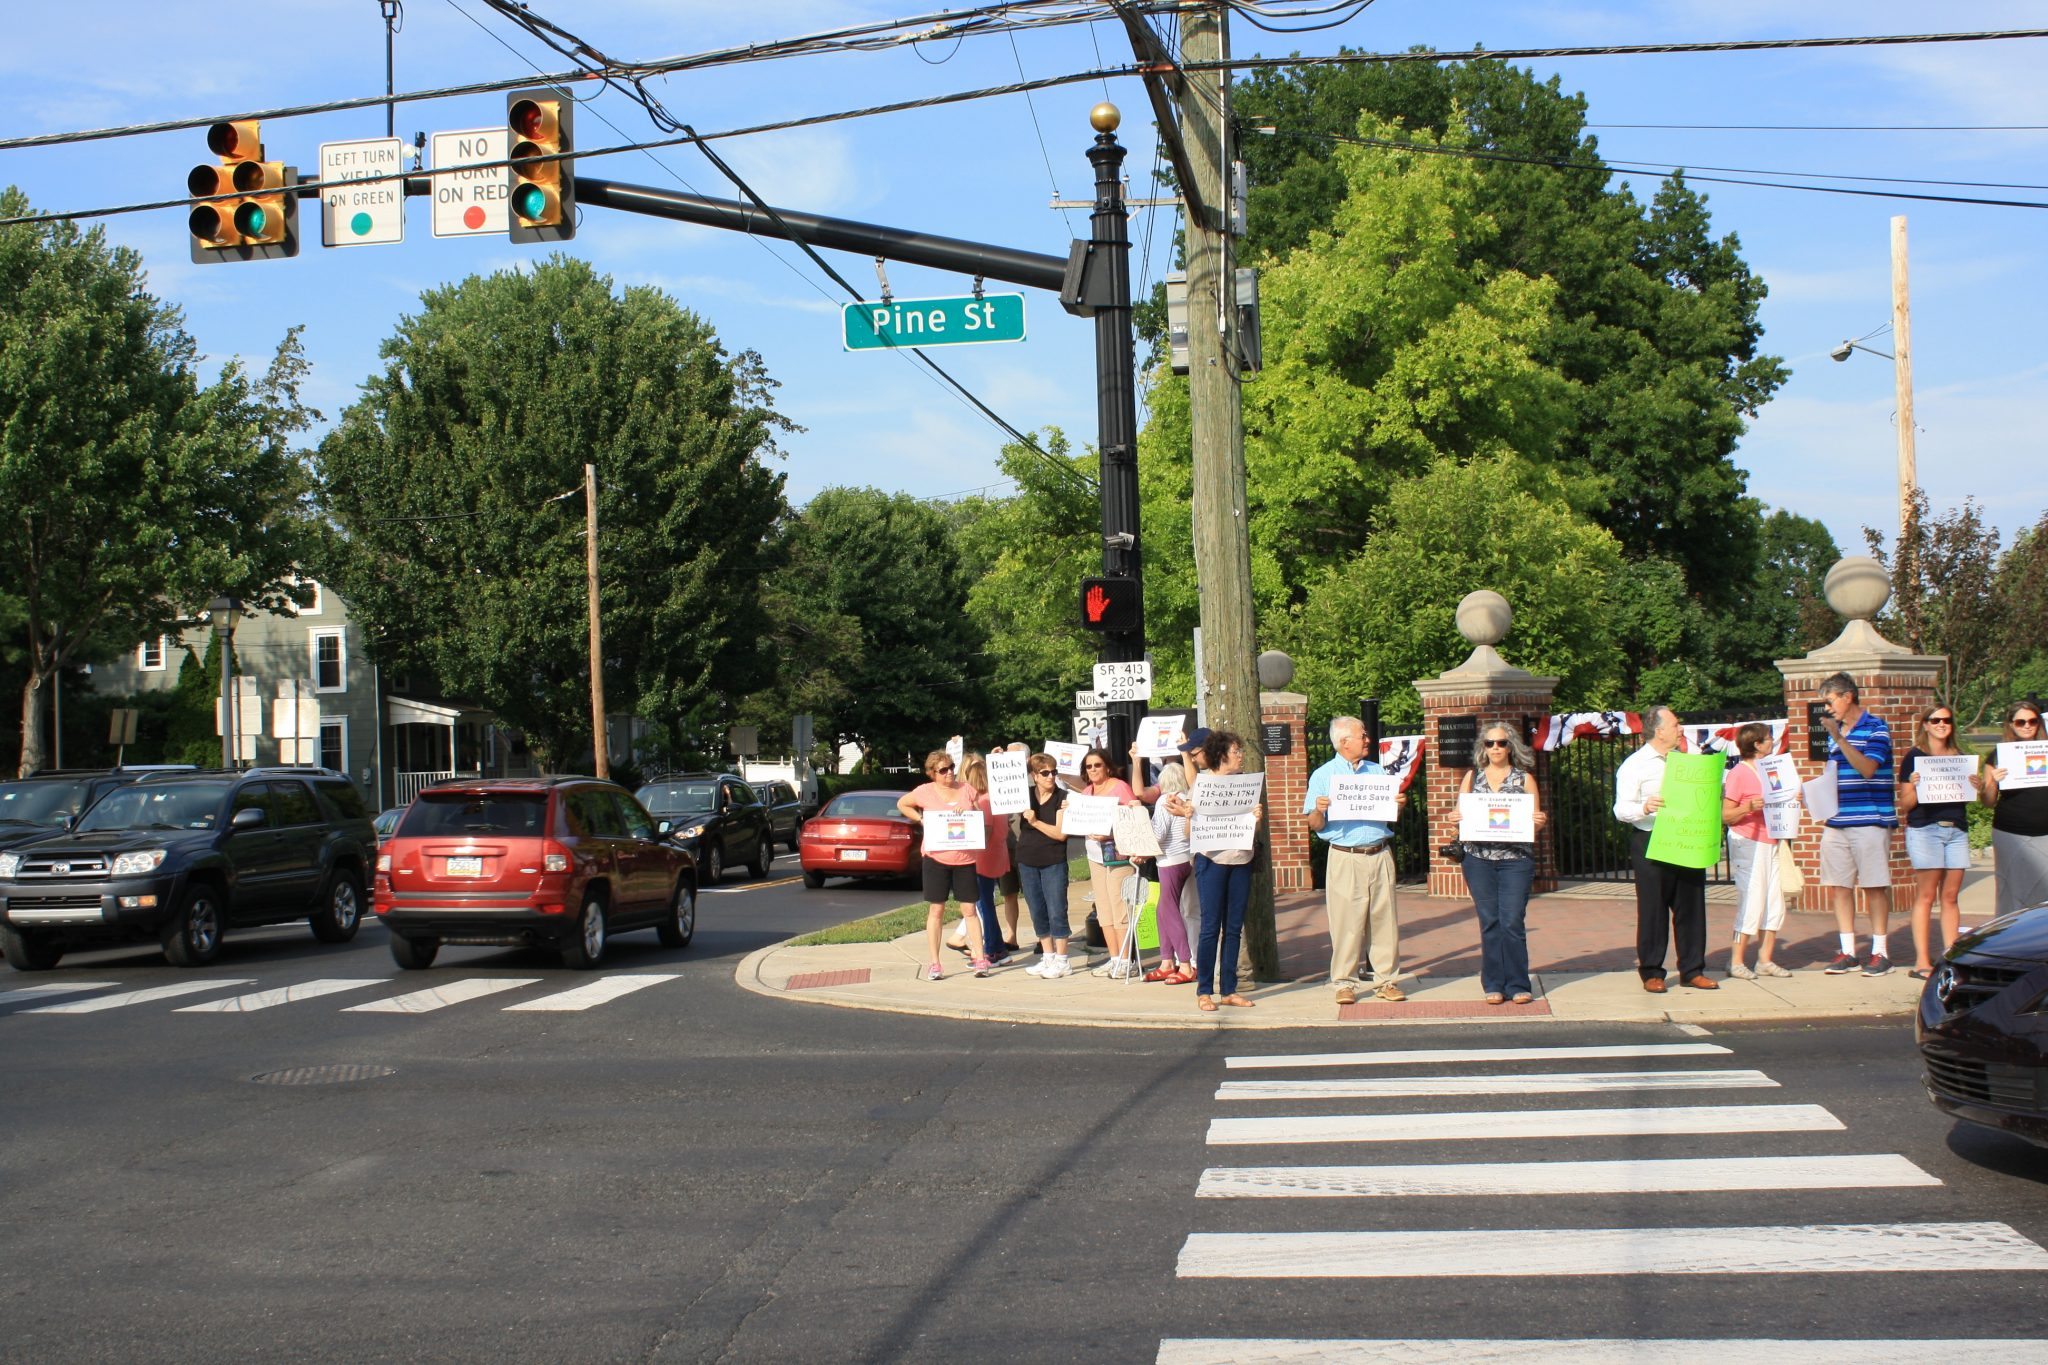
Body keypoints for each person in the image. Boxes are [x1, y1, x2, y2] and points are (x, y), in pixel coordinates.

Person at [1613, 705, 1716, 993]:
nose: (1680, 729)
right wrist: (1644, 807)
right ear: (1658, 731)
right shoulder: (1635, 765)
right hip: (1651, 839)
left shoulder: (1686, 762)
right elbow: (1621, 809)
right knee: (1653, 909)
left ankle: (1693, 970)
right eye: (1675, 724)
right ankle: (1652, 972)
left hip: (1686, 838)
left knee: (1691, 907)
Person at [1304, 715, 1405, 1006]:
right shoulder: (1324, 775)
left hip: (1379, 852)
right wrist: (1320, 810)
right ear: (1344, 741)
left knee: (1384, 921)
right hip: (1345, 856)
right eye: (1362, 735)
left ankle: (1386, 981)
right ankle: (1345, 983)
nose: (1367, 740)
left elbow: (1392, 812)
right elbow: (1314, 824)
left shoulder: (1377, 772)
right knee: (1346, 922)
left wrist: (1399, 802)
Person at [1458, 721, 1547, 1005]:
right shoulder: (1472, 778)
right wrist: (1453, 818)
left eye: (1501, 743)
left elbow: (1535, 821)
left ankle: (1519, 983)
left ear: (1511, 746)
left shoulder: (1524, 779)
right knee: (1490, 921)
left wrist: (1540, 822)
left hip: (1515, 861)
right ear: (1483, 748)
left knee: (1511, 921)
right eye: (1490, 743)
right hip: (1478, 860)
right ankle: (1493, 983)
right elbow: (1459, 815)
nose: (1495, 748)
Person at [1814, 672, 1897, 976]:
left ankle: (1880, 952)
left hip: (1870, 820)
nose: (1827, 707)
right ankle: (1848, 951)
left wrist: (1839, 737)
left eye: (1830, 700)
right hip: (1838, 821)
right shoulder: (1833, 734)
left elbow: (1867, 769)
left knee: (1874, 887)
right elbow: (1835, 775)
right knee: (1840, 888)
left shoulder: (1876, 728)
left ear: (1847, 696)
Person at [1176, 729, 1262, 1011]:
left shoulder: (1245, 784)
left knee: (1234, 928)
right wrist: (1189, 816)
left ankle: (1228, 988)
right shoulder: (1203, 785)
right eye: (1236, 752)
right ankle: (1204, 991)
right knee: (1210, 927)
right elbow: (1190, 833)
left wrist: (1256, 819)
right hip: (1211, 861)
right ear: (1221, 755)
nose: (1240, 757)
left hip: (1240, 860)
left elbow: (1252, 831)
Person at [1900, 704, 1978, 978]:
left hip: (1956, 829)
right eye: (1935, 720)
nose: (1942, 724)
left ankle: (1950, 955)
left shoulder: (1960, 757)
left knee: (1951, 896)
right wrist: (1917, 786)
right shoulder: (1914, 757)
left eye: (1946, 720)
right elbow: (1906, 804)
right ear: (1925, 724)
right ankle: (1922, 960)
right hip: (1925, 829)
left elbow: (1965, 798)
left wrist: (1974, 786)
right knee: (1926, 895)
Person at [898, 750, 986, 981]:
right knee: (936, 910)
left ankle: (980, 957)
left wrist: (969, 812)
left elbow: (978, 816)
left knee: (969, 910)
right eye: (943, 770)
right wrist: (921, 819)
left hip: (965, 858)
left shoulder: (966, 789)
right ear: (932, 773)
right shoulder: (924, 792)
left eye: (951, 767)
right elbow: (903, 804)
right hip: (936, 858)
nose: (949, 773)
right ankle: (935, 964)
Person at [1721, 722, 1789, 980]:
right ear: (1757, 744)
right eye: (1768, 739)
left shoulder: (1771, 769)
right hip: (1748, 840)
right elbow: (1726, 814)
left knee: (1773, 900)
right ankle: (1736, 960)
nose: (1772, 741)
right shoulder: (1739, 773)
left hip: (1770, 839)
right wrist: (1747, 807)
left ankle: (1765, 959)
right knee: (1751, 898)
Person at [1076, 748, 1143, 977]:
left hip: (1117, 854)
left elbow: (1135, 817)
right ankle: (1114, 958)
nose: (1093, 770)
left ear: (1107, 766)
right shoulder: (1086, 792)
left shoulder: (1119, 787)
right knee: (1103, 908)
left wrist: (1110, 833)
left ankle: (1127, 960)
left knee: (1119, 907)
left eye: (1097, 765)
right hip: (1095, 856)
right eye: (1088, 766)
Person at [1982, 701, 2048, 918]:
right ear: (2011, 725)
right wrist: (1992, 781)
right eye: (2021, 722)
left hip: (2045, 832)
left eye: (2032, 721)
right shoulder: (1997, 756)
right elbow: (1988, 801)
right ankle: (2007, 941)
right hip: (2011, 832)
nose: (2027, 726)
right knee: (2010, 891)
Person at [1016, 753, 1073, 978]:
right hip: (1027, 860)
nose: (1051, 776)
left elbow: (1060, 834)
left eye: (1054, 772)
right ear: (1034, 776)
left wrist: (1035, 822)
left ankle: (1062, 960)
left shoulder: (1063, 798)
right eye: (1045, 773)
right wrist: (1001, 761)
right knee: (1037, 909)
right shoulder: (1025, 796)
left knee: (1057, 908)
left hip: (1053, 861)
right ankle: (1047, 956)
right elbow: (1003, 788)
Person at [1143, 760, 1196, 983]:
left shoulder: (1166, 800)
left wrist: (1140, 844)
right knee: (1162, 911)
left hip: (1169, 861)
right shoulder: (1187, 799)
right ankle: (1166, 961)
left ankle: (1185, 963)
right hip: (1185, 859)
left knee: (1170, 911)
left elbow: (1158, 834)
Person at [958, 755, 1013, 968]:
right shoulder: (994, 797)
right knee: (986, 904)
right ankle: (999, 948)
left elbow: (985, 831)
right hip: (996, 855)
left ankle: (991, 950)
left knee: (984, 906)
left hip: (982, 858)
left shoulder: (982, 801)